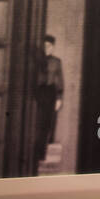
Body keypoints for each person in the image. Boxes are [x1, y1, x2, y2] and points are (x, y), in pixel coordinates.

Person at [34, 35, 64, 167]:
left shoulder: (57, 62)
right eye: (44, 46)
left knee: (47, 124)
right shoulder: (35, 61)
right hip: (38, 92)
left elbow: (60, 81)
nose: (47, 48)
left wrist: (59, 98)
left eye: (49, 46)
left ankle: (41, 153)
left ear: (53, 47)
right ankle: (34, 152)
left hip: (50, 93)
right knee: (37, 123)